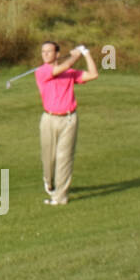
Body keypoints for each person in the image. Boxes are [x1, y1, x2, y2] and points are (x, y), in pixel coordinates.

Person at [34, 40, 98, 205]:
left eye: (49, 51)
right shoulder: (41, 71)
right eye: (43, 51)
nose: (45, 54)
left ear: (57, 54)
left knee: (65, 158)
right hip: (49, 119)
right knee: (49, 158)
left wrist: (86, 53)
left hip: (69, 119)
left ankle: (60, 197)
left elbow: (93, 74)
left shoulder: (69, 72)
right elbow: (59, 68)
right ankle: (50, 182)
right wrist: (75, 56)